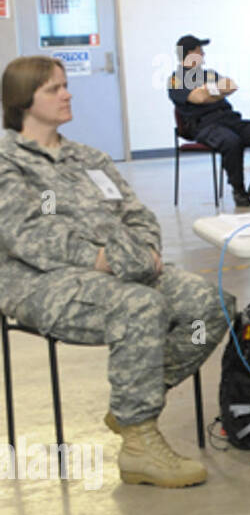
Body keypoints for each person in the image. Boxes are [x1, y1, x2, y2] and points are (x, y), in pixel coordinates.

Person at [0, 56, 234, 487]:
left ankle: (134, 400)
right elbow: (27, 235)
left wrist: (146, 248)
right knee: (141, 307)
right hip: (42, 282)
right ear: (22, 100)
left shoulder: (88, 158)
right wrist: (99, 260)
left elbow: (136, 212)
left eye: (65, 85)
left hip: (124, 268)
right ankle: (139, 444)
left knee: (210, 306)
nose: (67, 93)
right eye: (53, 89)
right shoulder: (8, 162)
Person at [167, 34, 250, 207]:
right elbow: (199, 98)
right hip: (205, 126)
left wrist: (208, 91)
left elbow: (231, 86)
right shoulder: (176, 80)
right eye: (200, 50)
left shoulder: (209, 74)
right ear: (190, 54)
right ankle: (238, 189)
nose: (204, 54)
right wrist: (215, 92)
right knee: (231, 142)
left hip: (230, 120)